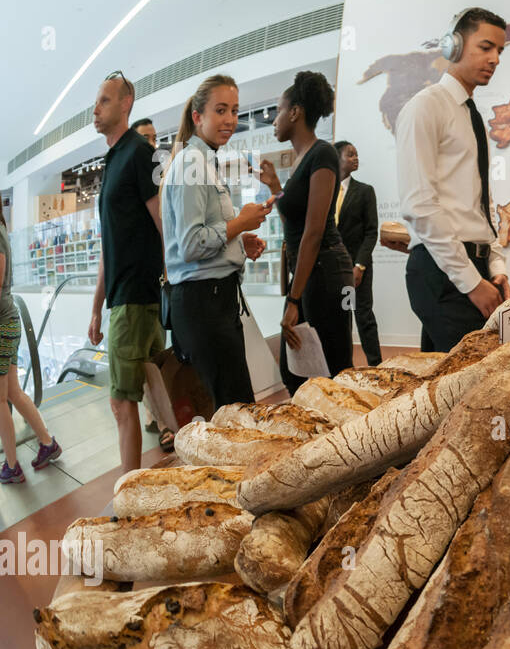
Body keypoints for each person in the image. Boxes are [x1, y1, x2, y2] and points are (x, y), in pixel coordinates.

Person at [396, 7, 510, 351]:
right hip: (442, 269)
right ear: (453, 46)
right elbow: (419, 205)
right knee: (482, 383)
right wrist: (471, 282)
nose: (495, 59)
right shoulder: (426, 107)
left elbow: (480, 202)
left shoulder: (470, 115)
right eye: (486, 47)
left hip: (470, 265)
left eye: (500, 51)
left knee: (445, 387)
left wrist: (495, 264)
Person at [162, 74, 269, 409]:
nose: (230, 120)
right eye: (221, 110)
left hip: (216, 301)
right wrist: (238, 223)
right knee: (236, 412)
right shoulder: (191, 163)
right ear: (198, 117)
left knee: (236, 407)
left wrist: (239, 238)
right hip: (203, 305)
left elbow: (208, 233)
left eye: (235, 111)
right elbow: (191, 245)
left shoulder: (204, 161)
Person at [87, 72, 170, 471]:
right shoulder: (112, 160)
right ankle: (142, 489)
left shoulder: (141, 152)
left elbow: (162, 223)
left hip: (137, 297)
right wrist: (95, 305)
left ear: (126, 104)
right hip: (123, 297)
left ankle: (128, 495)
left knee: (122, 401)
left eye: (104, 100)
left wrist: (174, 282)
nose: (95, 109)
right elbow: (109, 241)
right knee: (158, 392)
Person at [257, 72, 353, 393]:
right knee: (296, 370)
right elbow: (295, 221)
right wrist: (274, 186)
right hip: (309, 274)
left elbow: (314, 230)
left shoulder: (322, 153)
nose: (274, 119)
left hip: (326, 274)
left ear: (295, 112)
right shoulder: (300, 160)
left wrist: (293, 299)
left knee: (333, 370)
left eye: (278, 110)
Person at [0, 203, 59, 483]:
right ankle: (47, 443)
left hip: (1, 323)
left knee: (0, 399)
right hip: (7, 320)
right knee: (13, 392)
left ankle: (11, 466)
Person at [332, 140, 381, 366]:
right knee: (343, 318)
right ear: (337, 159)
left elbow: (372, 233)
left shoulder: (365, 191)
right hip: (336, 269)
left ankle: (376, 365)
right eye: (350, 154)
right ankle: (345, 367)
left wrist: (359, 266)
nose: (355, 158)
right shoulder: (327, 192)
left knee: (363, 316)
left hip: (358, 269)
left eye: (356, 154)